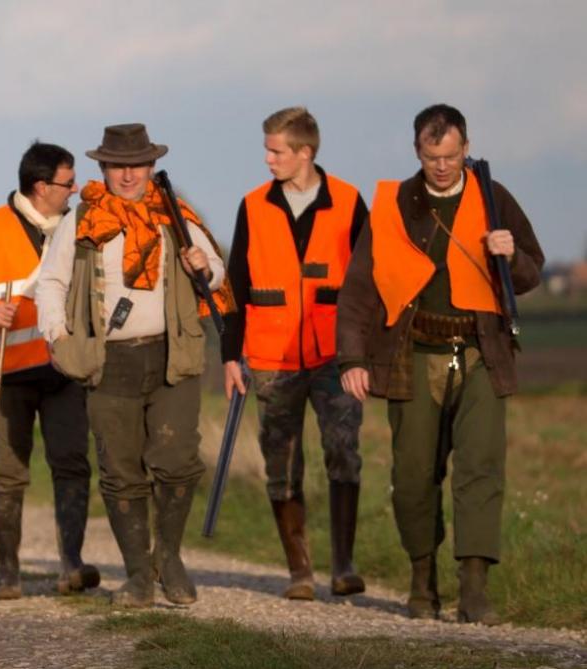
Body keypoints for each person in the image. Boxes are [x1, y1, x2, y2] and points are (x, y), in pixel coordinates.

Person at [337, 104, 544, 624]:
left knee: (480, 471)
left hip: (481, 354)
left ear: (466, 148)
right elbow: (360, 286)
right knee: (412, 477)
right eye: (433, 158)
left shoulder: (494, 198)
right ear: (417, 153)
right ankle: (421, 579)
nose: (444, 166)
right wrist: (352, 358)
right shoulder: (392, 205)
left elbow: (530, 274)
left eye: (452, 155)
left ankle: (474, 590)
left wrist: (510, 252)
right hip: (412, 354)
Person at [35, 123, 233, 608]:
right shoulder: (81, 218)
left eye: (137, 164)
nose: (128, 175)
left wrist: (200, 267)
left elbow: (217, 268)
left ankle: (169, 557)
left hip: (172, 355)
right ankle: (140, 577)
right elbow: (51, 281)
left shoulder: (176, 215)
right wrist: (58, 334)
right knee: (121, 470)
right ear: (104, 167)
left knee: (179, 462)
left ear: (152, 166)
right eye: (118, 166)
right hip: (109, 361)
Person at [220, 107, 367, 600]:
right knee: (281, 464)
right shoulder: (253, 205)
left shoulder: (348, 202)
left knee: (343, 452)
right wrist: (229, 356)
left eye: (276, 150)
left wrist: (362, 353)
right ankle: (299, 570)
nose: (268, 159)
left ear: (305, 153)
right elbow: (235, 284)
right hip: (270, 358)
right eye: (267, 149)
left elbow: (366, 284)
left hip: (334, 357)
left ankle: (343, 566)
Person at [0, 141, 99, 599]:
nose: (74, 192)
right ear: (40, 186)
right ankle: (8, 574)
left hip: (64, 370)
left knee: (72, 464)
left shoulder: (83, 229)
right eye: (68, 184)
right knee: (7, 475)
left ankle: (71, 564)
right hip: (5, 374)